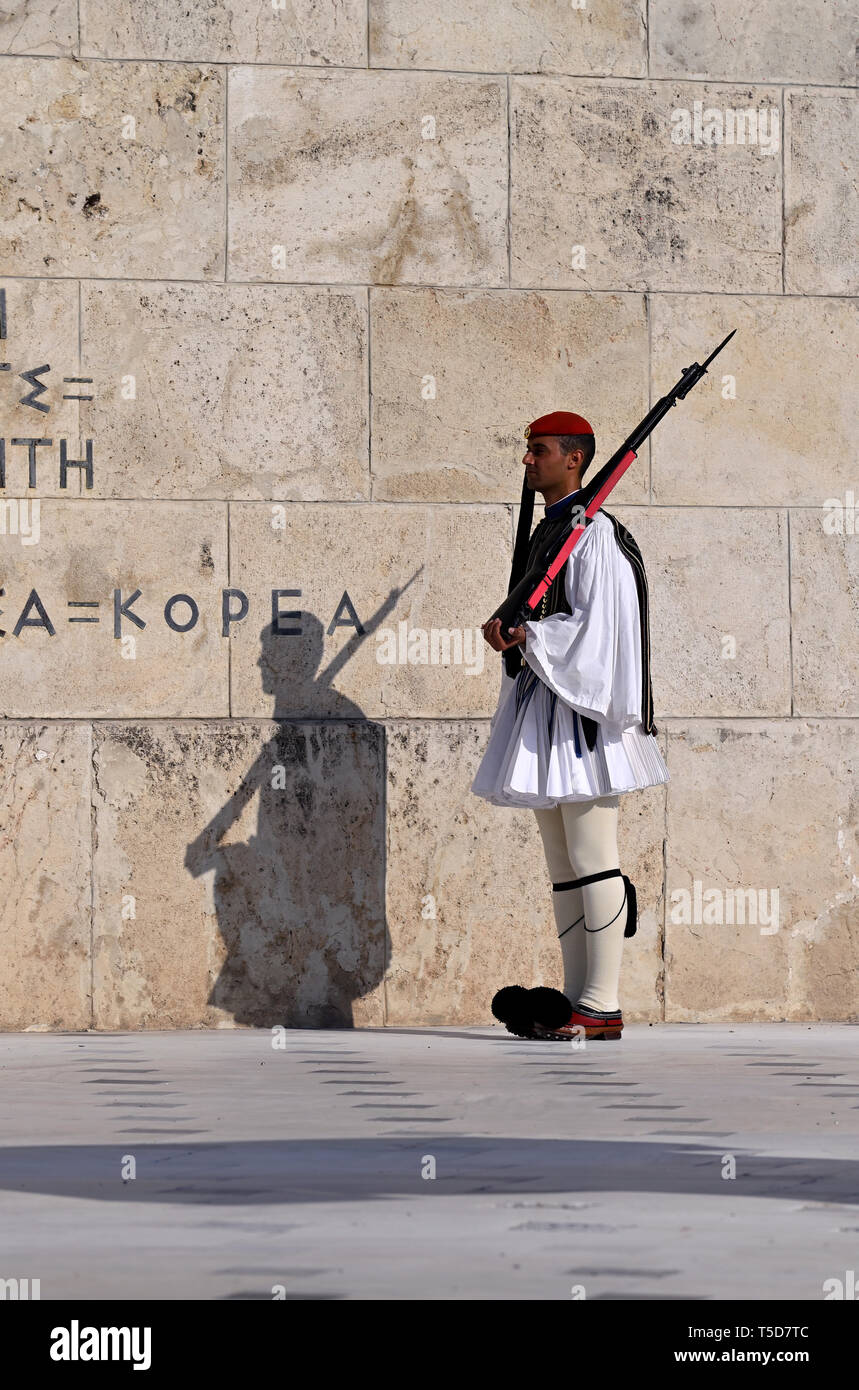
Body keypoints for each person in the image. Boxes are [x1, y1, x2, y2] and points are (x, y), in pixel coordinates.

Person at [470, 411, 669, 1042]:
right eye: (528, 450)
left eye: (539, 451)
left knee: (593, 855)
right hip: (545, 705)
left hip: (584, 713)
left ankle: (601, 1002)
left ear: (575, 460)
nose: (528, 461)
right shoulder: (555, 530)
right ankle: (576, 1001)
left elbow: (600, 629)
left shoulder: (596, 533)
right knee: (563, 862)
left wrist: (531, 633)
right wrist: (512, 633)